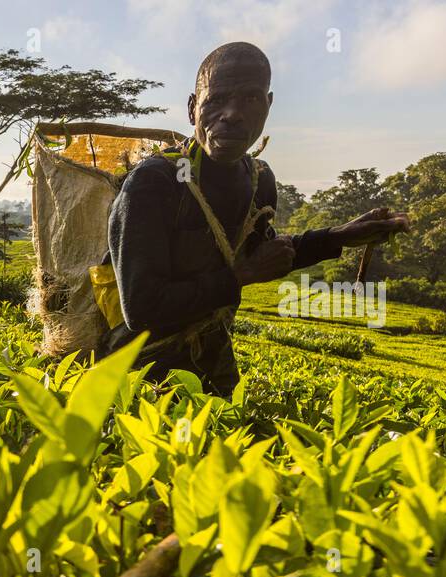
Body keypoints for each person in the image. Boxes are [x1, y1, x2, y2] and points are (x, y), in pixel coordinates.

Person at [103, 41, 410, 396]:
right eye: (216, 100)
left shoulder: (258, 179)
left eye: (249, 99)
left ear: (269, 105)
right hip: (137, 367)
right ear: (192, 108)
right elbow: (142, 308)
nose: (232, 114)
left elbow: (264, 255)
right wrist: (241, 277)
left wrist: (339, 236)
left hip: (212, 354)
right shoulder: (153, 183)